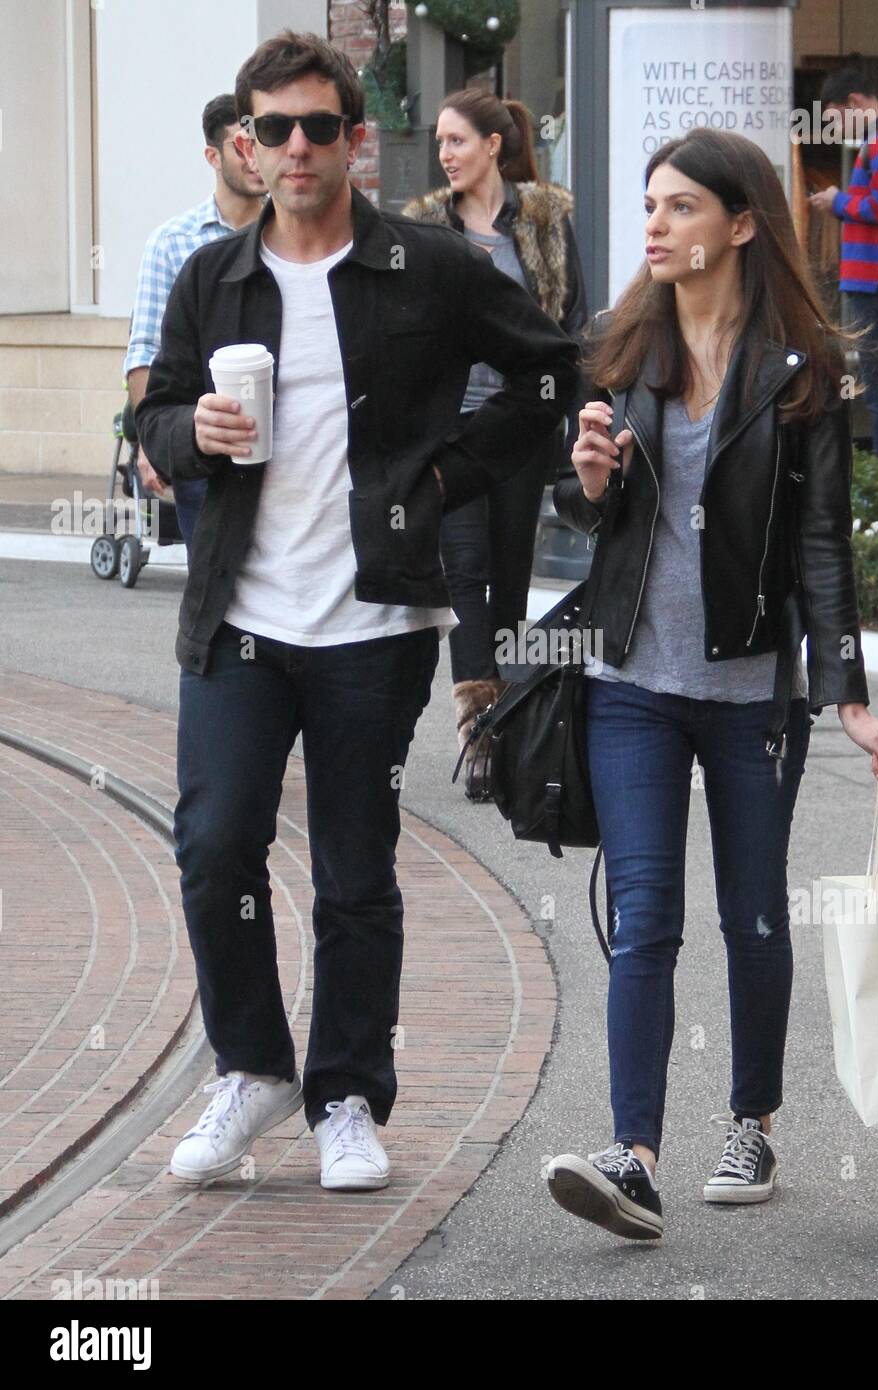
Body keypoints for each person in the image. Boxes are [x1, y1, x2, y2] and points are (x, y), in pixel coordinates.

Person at [135, 30, 577, 1191]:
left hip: (373, 628)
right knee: (215, 838)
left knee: (354, 868)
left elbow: (546, 373)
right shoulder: (211, 278)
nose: (294, 147)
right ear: (245, 141)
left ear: (353, 142)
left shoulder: (424, 266)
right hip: (239, 619)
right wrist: (193, 437)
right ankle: (252, 1067)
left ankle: (345, 1095)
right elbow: (155, 420)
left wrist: (444, 480)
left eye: (317, 127)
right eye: (271, 128)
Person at [546, 128, 878, 1240]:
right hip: (632, 683)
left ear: (742, 223)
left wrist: (844, 690)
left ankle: (751, 1118)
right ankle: (634, 1158)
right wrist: (587, 484)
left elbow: (821, 546)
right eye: (650, 204)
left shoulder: (801, 372)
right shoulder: (620, 349)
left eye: (681, 207)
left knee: (754, 911)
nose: (654, 224)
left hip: (754, 691)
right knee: (645, 911)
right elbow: (584, 524)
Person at [401, 89, 588, 800]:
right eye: (439, 143)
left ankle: (507, 722)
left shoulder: (542, 218)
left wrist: (569, 412)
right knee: (463, 575)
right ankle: (477, 730)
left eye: (456, 141)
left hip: (519, 425)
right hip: (451, 429)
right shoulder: (423, 227)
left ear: (493, 146)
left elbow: (567, 319)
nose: (444, 154)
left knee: (509, 577)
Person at [124, 94, 267, 554]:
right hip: (204, 451)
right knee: (213, 586)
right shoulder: (172, 242)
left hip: (283, 446)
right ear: (213, 156)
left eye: (259, 143)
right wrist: (152, 443)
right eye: (241, 146)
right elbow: (146, 352)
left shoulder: (291, 233)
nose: (255, 157)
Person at [809, 67, 878, 459]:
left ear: (854, 103)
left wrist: (837, 201)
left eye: (835, 117)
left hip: (877, 284)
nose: (835, 128)